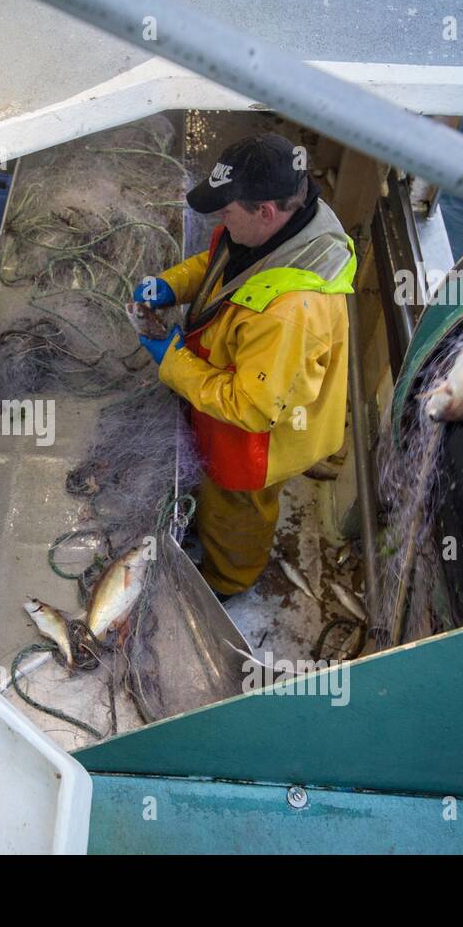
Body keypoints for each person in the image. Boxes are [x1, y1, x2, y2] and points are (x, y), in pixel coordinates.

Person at [135, 133, 355, 598]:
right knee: (214, 494)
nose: (220, 218)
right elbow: (218, 263)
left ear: (266, 211)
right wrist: (173, 285)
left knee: (236, 510)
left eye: (227, 210)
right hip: (241, 393)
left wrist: (172, 362)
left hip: (258, 440)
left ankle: (229, 580)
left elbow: (250, 408)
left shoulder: (289, 312)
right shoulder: (274, 229)